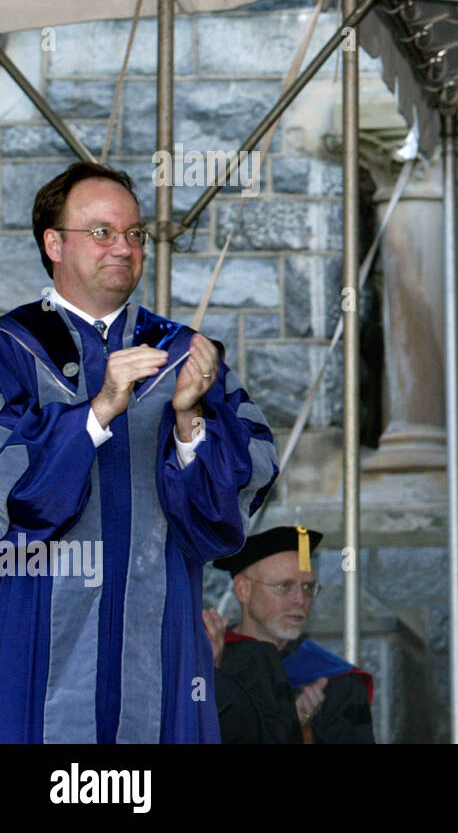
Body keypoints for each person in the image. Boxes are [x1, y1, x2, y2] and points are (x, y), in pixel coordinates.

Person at [0, 161, 279, 743]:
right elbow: (12, 495)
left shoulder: (185, 355)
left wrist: (188, 419)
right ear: (54, 243)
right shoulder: (11, 351)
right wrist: (97, 412)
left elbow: (245, 487)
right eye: (101, 232)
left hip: (159, 629)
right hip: (30, 622)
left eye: (134, 234)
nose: (123, 248)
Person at [206, 526, 374, 743]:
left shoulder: (337, 679)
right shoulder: (212, 660)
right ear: (243, 589)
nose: (300, 600)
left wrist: (306, 733)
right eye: (284, 586)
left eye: (308, 587)